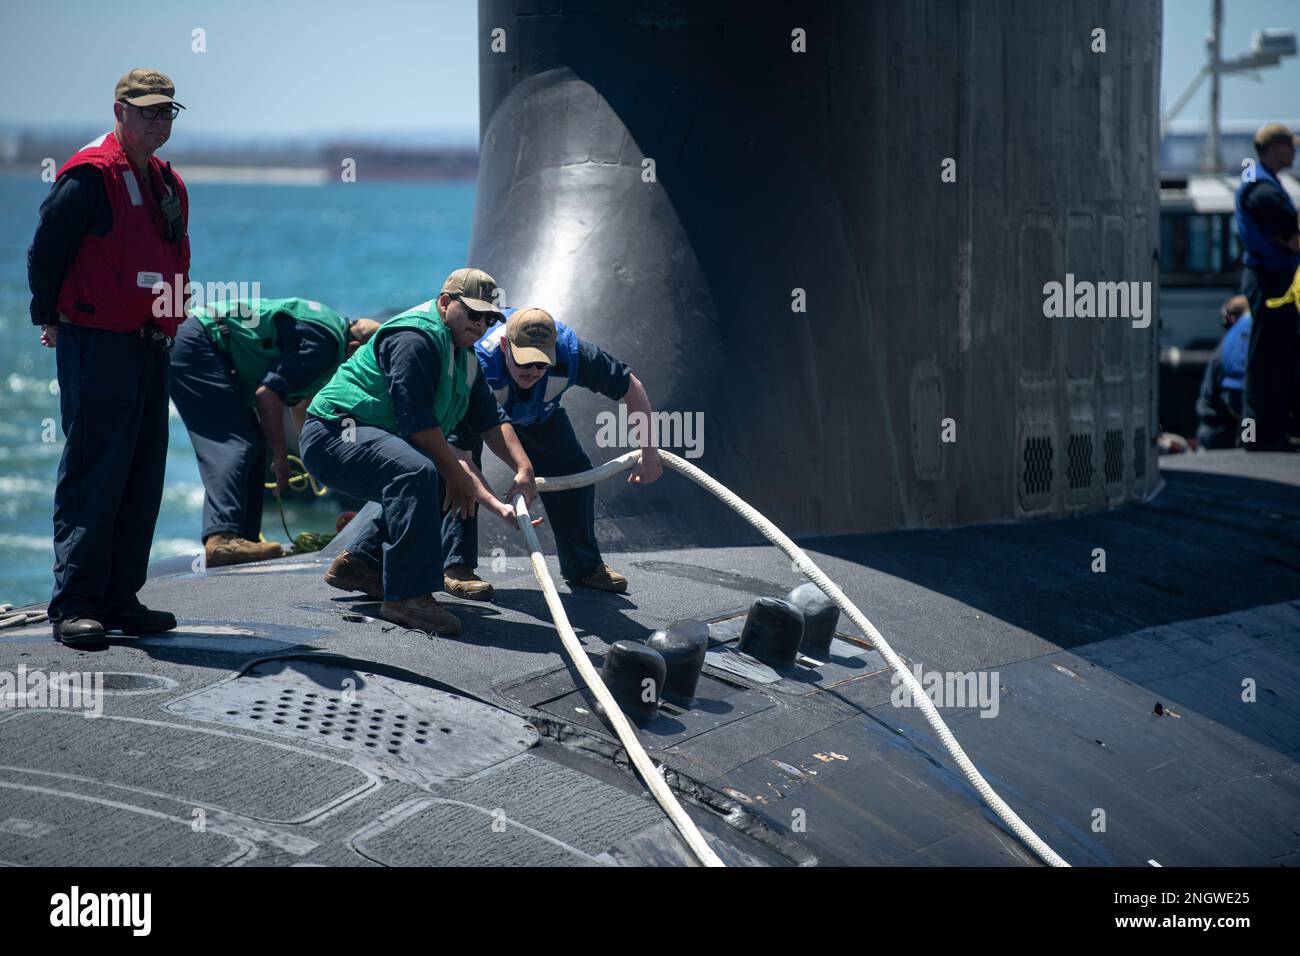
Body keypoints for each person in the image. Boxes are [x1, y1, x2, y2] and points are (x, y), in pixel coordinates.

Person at [26, 69, 190, 647]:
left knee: (142, 473)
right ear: (119, 110)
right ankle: (75, 603)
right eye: (147, 111)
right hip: (98, 344)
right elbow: (46, 251)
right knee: (94, 470)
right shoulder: (90, 176)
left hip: (149, 344)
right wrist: (50, 316)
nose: (158, 120)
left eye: (167, 111)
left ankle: (121, 597)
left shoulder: (166, 180)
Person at [299, 268, 539, 635]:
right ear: (445, 304)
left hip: (369, 438)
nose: (481, 324)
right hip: (334, 435)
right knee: (418, 472)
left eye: (490, 319)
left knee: (434, 471)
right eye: (473, 314)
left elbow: (491, 421)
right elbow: (416, 421)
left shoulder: (466, 360)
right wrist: (457, 475)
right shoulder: (415, 339)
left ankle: (362, 563)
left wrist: (523, 468)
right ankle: (407, 598)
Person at [440, 307, 662, 602]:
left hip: (538, 414)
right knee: (455, 481)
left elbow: (632, 388)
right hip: (479, 416)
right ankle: (457, 566)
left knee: (575, 471)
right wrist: (498, 507)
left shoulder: (572, 353)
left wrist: (650, 453)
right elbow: (459, 456)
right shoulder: (477, 365)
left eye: (541, 364)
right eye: (524, 362)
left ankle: (584, 567)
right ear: (506, 346)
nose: (532, 371)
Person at [170, 296, 380, 566]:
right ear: (354, 347)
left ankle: (243, 539)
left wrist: (314, 461)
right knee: (236, 443)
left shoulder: (330, 340)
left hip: (204, 343)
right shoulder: (324, 346)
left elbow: (301, 406)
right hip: (200, 342)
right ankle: (221, 538)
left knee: (253, 444)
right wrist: (280, 458)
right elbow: (267, 394)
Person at [1234, 122, 1300, 451]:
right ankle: (1262, 434)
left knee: (1271, 354)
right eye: (1291, 146)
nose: (1295, 152)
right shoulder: (1266, 191)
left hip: (1268, 277)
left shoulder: (1257, 180)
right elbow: (1292, 239)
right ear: (1276, 149)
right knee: (1269, 357)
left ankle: (1264, 432)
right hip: (1272, 279)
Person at [1195, 295, 1251, 449]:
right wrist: (1252, 436)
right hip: (1220, 432)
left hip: (1215, 429)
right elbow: (1237, 398)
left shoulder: (1229, 343)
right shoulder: (1236, 347)